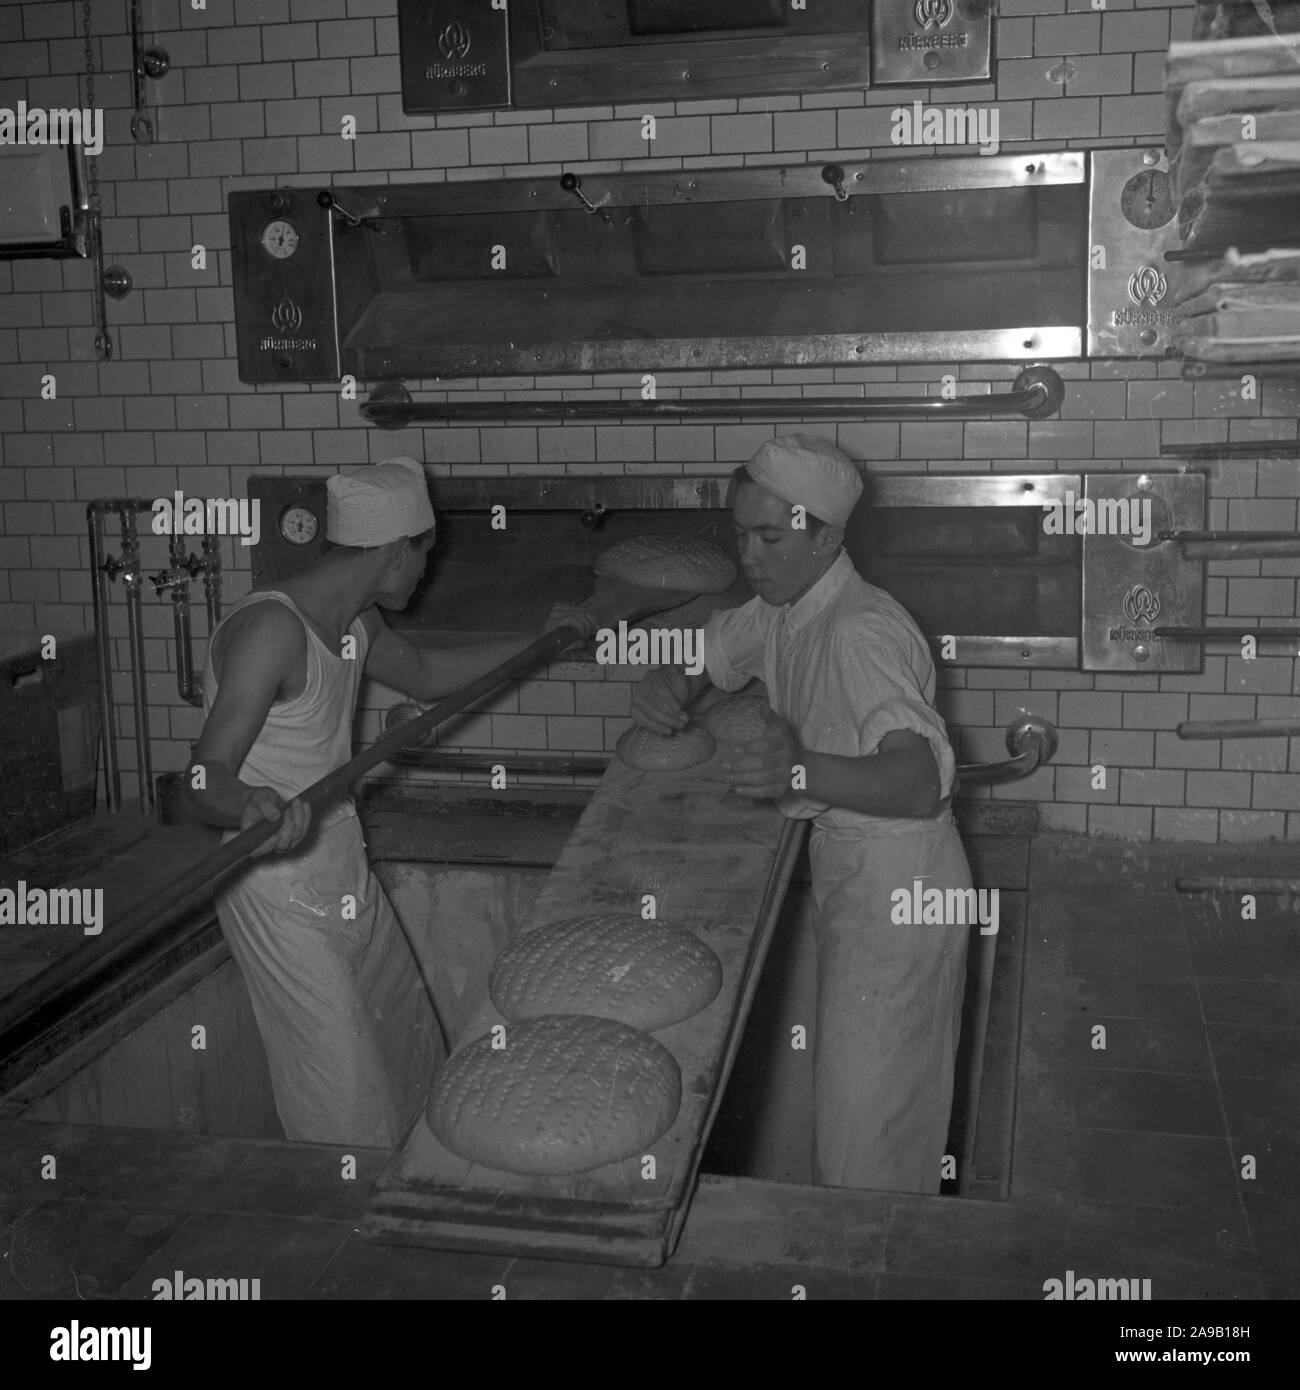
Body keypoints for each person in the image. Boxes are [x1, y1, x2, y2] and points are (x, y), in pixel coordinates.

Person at [182, 457, 594, 1148]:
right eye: (424, 553)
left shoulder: (354, 623)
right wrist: (248, 800)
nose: (426, 571)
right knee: (342, 1099)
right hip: (273, 886)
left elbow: (429, 676)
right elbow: (202, 777)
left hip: (340, 860)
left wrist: (547, 640)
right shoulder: (273, 632)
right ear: (392, 547)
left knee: (408, 1052)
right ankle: (343, 1237)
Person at [631, 434, 972, 1193]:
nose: (748, 556)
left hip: (900, 893)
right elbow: (716, 646)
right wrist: (668, 682)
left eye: (770, 538)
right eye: (739, 534)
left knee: (869, 1148)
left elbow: (918, 780)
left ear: (828, 538)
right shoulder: (787, 609)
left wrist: (797, 768)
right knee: (856, 1128)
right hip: (854, 876)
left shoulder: (858, 631)